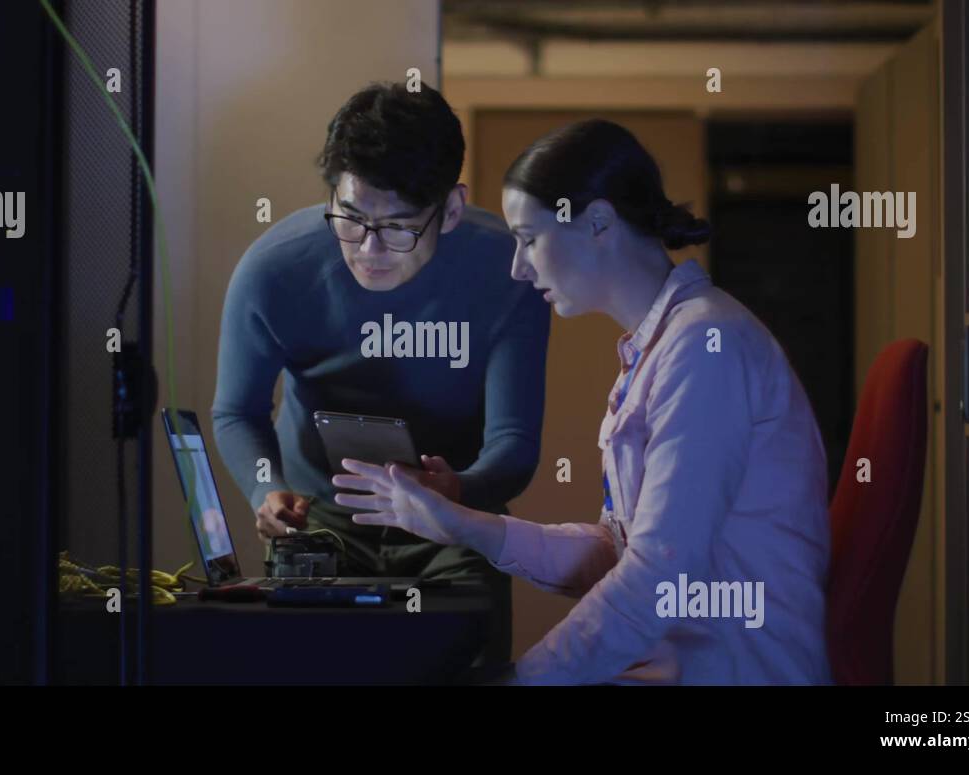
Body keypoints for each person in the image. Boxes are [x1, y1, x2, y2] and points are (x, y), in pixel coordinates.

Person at [332, 119, 833, 685]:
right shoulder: (662, 346)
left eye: (529, 239)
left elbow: (653, 580)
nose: (518, 267)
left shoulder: (705, 347)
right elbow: (615, 551)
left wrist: (523, 680)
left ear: (597, 221)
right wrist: (463, 525)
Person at [212, 82, 550, 662]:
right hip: (321, 525)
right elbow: (237, 411)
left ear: (451, 208)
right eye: (350, 218)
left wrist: (456, 491)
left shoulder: (508, 270)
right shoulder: (275, 270)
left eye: (398, 228)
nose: (369, 249)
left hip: (454, 526)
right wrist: (266, 488)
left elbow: (514, 444)